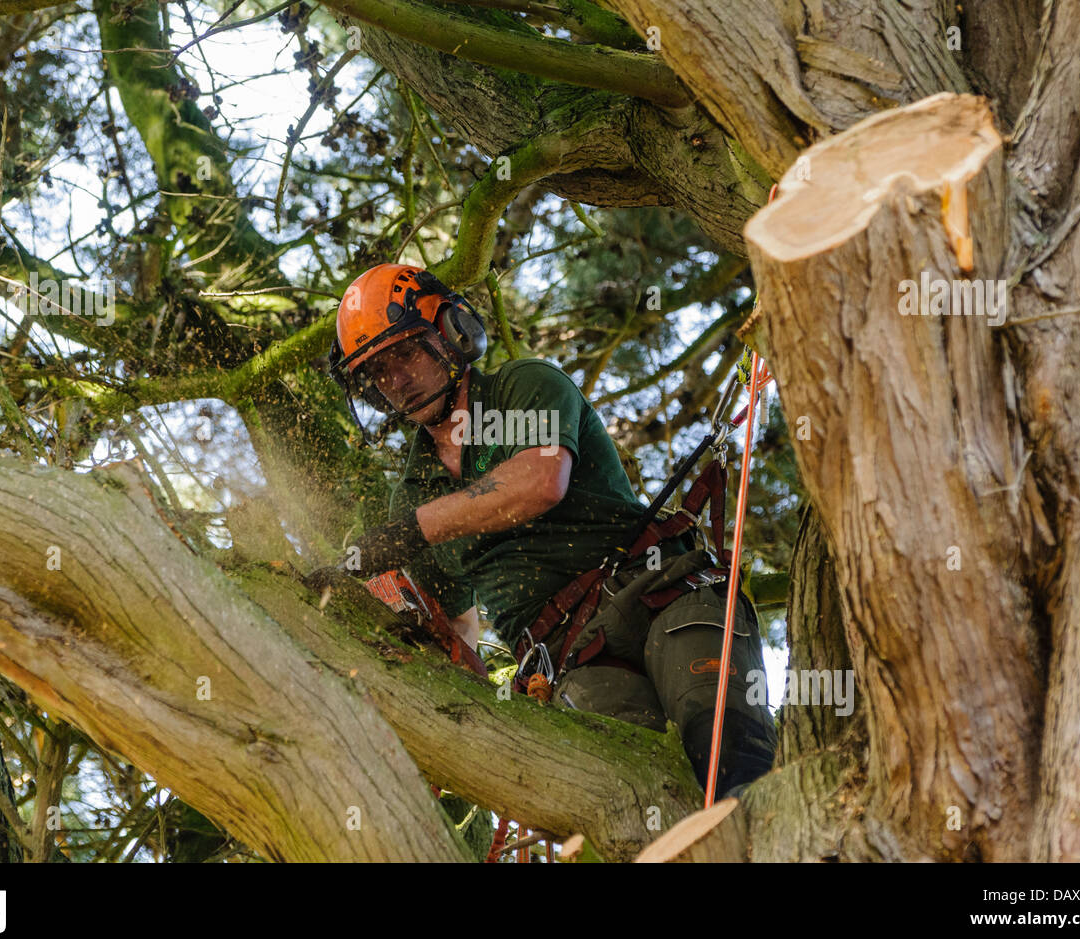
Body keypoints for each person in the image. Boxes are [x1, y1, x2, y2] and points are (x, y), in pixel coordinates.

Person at [327, 263, 777, 800]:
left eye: (403, 353)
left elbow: (541, 480)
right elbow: (455, 626)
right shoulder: (416, 492)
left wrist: (411, 533)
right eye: (377, 371)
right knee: (640, 799)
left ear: (451, 333)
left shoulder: (520, 388)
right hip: (571, 658)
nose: (395, 379)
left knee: (726, 744)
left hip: (662, 591)